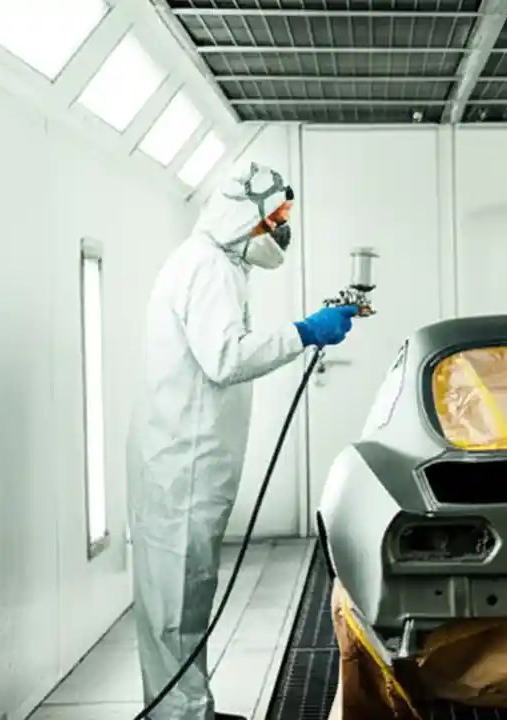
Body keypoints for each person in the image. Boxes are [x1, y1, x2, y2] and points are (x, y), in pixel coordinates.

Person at [126, 159, 358, 720]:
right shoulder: (207, 266)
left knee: (185, 599)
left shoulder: (214, 262)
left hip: (186, 461)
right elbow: (225, 357)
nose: (281, 230)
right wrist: (304, 332)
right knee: (176, 606)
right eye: (276, 217)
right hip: (181, 465)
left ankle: (188, 710)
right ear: (243, 216)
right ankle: (179, 716)